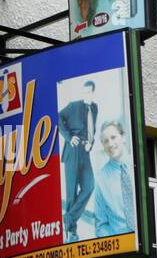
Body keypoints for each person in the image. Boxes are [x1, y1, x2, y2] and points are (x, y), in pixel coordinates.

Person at [58, 82, 99, 240]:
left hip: (85, 151)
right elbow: (58, 117)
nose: (86, 95)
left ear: (93, 93)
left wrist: (91, 143)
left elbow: (92, 129)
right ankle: (71, 231)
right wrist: (69, 138)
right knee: (72, 192)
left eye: (89, 92)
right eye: (84, 92)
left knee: (89, 185)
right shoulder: (74, 105)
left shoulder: (95, 108)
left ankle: (68, 219)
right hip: (73, 151)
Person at [93, 120, 136, 237]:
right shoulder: (101, 179)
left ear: (123, 138)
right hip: (122, 245)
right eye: (106, 141)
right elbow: (100, 225)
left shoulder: (138, 166)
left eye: (113, 137)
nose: (110, 144)